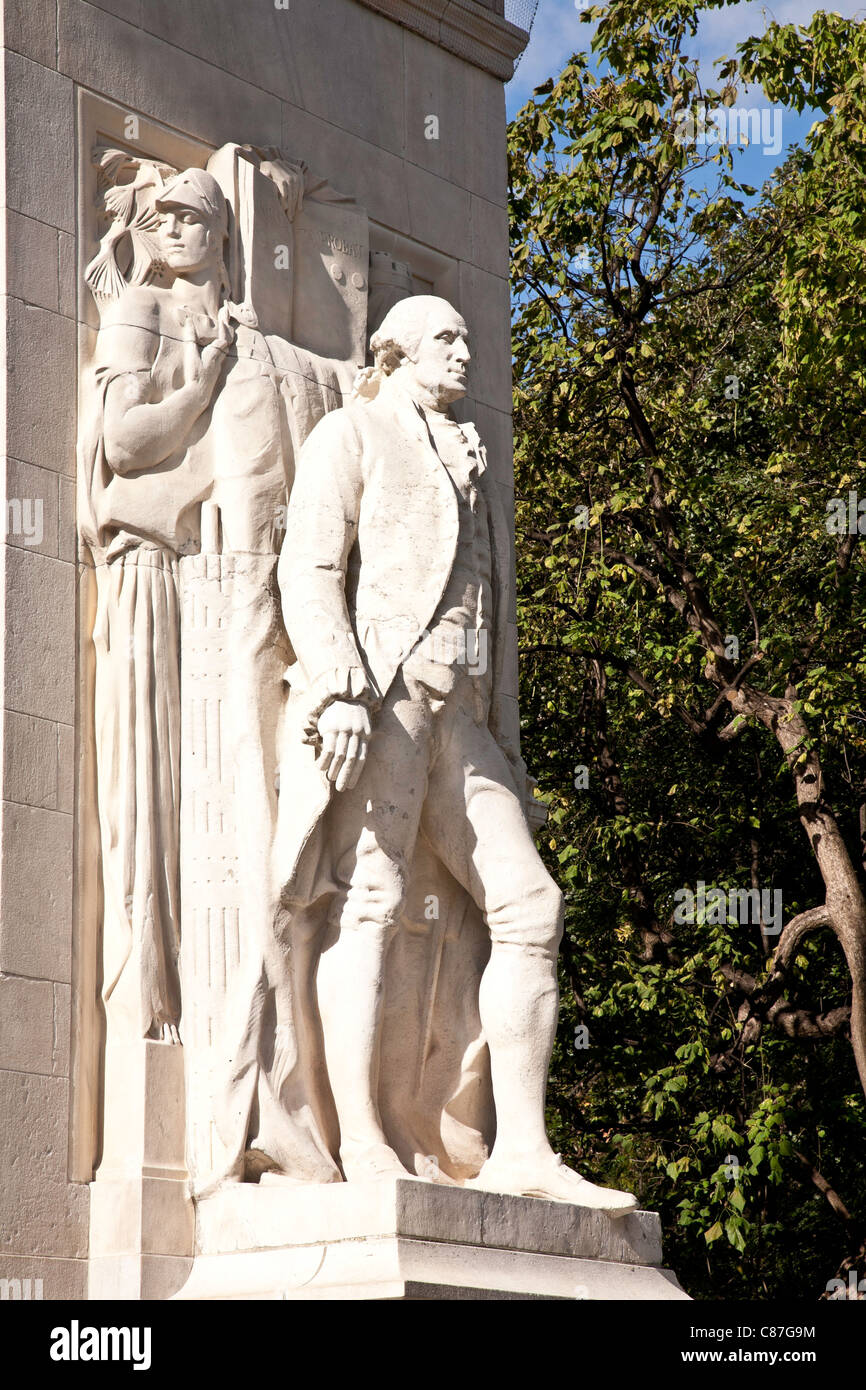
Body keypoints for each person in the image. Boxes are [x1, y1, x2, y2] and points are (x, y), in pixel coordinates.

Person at [273, 295, 638, 1211]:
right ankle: (360, 1138)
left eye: (470, 339)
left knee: (532, 905)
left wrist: (510, 753)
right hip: (387, 701)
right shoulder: (352, 434)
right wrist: (343, 686)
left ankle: (523, 1150)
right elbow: (310, 570)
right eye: (447, 338)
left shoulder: (475, 456)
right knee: (370, 904)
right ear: (395, 351)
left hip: (466, 723)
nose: (467, 351)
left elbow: (498, 623)